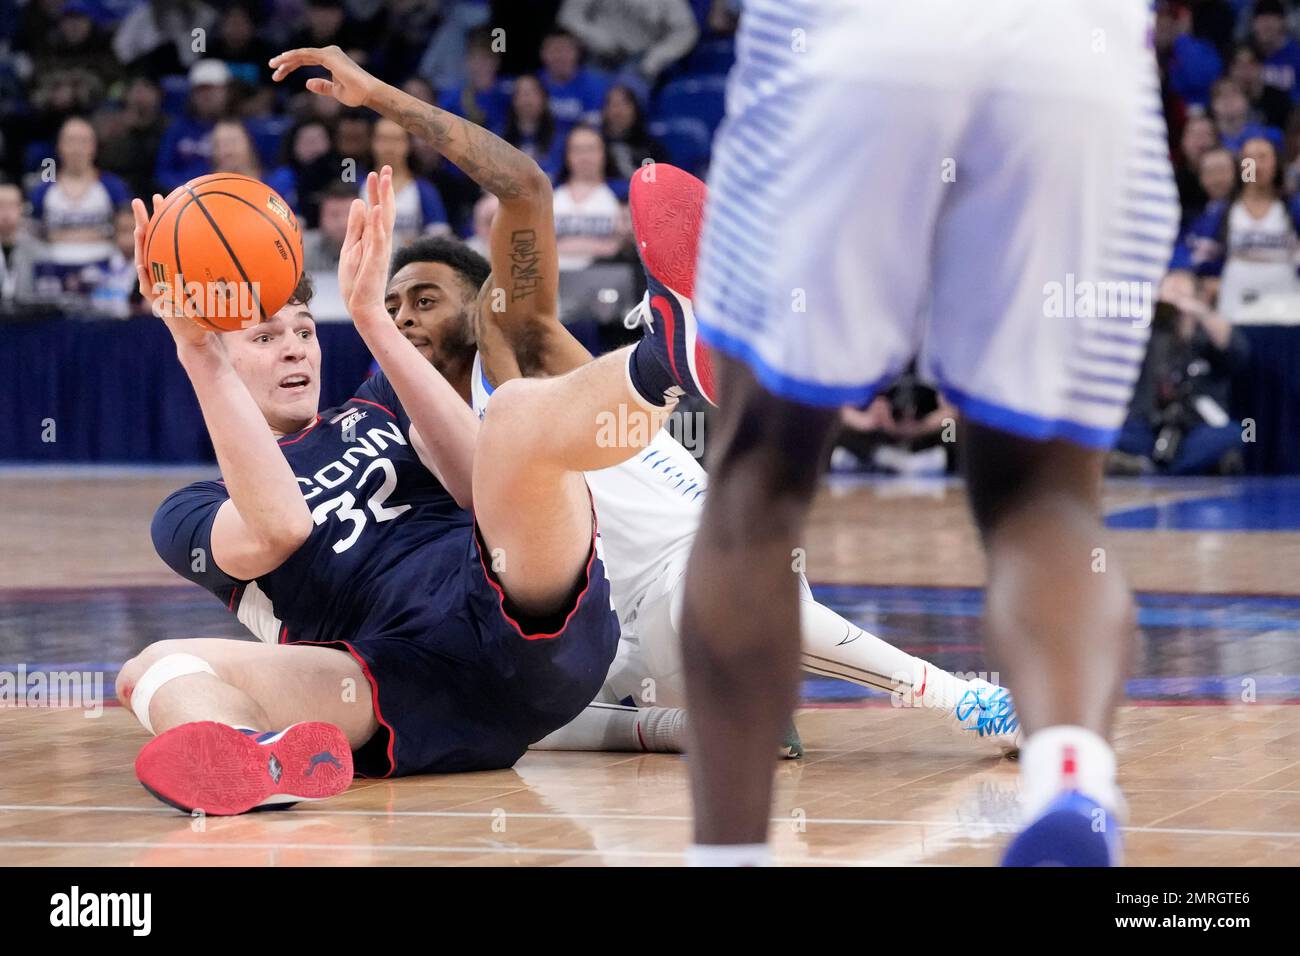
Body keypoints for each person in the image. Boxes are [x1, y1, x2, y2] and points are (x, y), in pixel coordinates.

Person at [681, 0, 1179, 867]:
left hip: (854, 39)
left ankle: (732, 860)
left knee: (757, 477)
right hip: (1076, 54)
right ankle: (1074, 784)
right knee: (1046, 496)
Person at [1111, 271, 1249, 476]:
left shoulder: (1207, 335)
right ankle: (1158, 465)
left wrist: (1197, 311)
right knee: (1111, 433)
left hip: (1194, 428)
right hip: (1147, 425)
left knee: (1236, 433)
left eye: (1180, 291)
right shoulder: (1148, 333)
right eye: (1168, 290)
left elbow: (1236, 350)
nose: (1174, 298)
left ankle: (1151, 467)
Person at [1184, 135, 1300, 321]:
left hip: (1284, 295)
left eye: (1262, 157)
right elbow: (1201, 255)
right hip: (1236, 296)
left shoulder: (1291, 208)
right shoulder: (1224, 211)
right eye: (1249, 158)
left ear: (1276, 164)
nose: (1256, 165)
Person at [552, 125, 627, 271]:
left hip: (606, 277)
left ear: (603, 153)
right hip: (553, 278)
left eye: (591, 149)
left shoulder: (623, 195)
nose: (584, 157)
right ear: (567, 155)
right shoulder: (549, 192)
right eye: (578, 150)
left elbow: (623, 246)